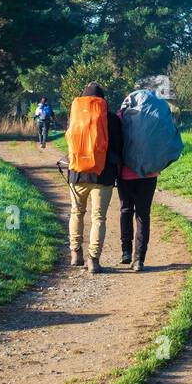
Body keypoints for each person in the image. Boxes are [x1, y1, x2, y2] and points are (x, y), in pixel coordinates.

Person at [63, 83, 121, 273]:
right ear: (103, 101)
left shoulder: (75, 117)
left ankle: (75, 253)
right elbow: (119, 147)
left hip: (77, 174)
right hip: (103, 176)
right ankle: (93, 260)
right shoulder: (110, 119)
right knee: (98, 218)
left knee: (76, 213)